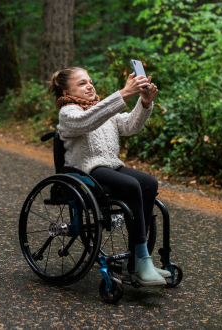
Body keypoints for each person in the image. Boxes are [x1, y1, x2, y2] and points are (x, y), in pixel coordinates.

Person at [48, 67, 171, 286]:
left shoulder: (102, 109)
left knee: (149, 183)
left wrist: (144, 102)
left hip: (110, 167)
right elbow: (86, 121)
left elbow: (130, 126)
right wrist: (123, 93)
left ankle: (137, 259)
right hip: (85, 171)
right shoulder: (68, 113)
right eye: (82, 83)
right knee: (131, 185)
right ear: (66, 90)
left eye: (90, 81)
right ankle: (140, 260)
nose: (90, 86)